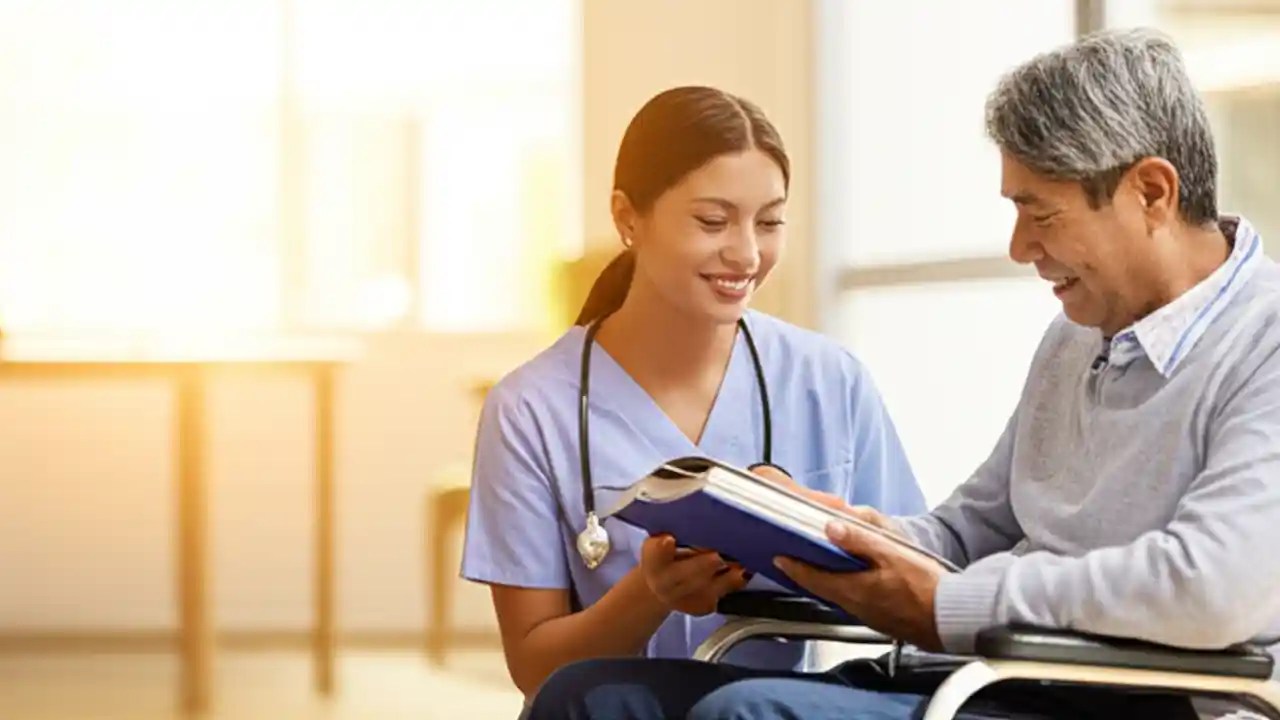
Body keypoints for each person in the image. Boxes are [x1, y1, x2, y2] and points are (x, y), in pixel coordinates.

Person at [521, 28, 1280, 720]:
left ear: (1151, 192)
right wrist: (832, 530)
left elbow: (1209, 591)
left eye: (1040, 214)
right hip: (982, 674)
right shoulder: (1077, 337)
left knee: (746, 715)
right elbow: (969, 529)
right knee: (588, 699)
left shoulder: (1264, 344)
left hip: (1129, 702)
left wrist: (949, 604)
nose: (1020, 246)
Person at [459, 85, 927, 698]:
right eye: (713, 221)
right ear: (628, 217)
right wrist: (648, 596)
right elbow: (536, 670)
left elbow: (918, 598)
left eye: (770, 222)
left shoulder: (829, 380)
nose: (748, 253)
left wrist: (816, 533)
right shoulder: (530, 409)